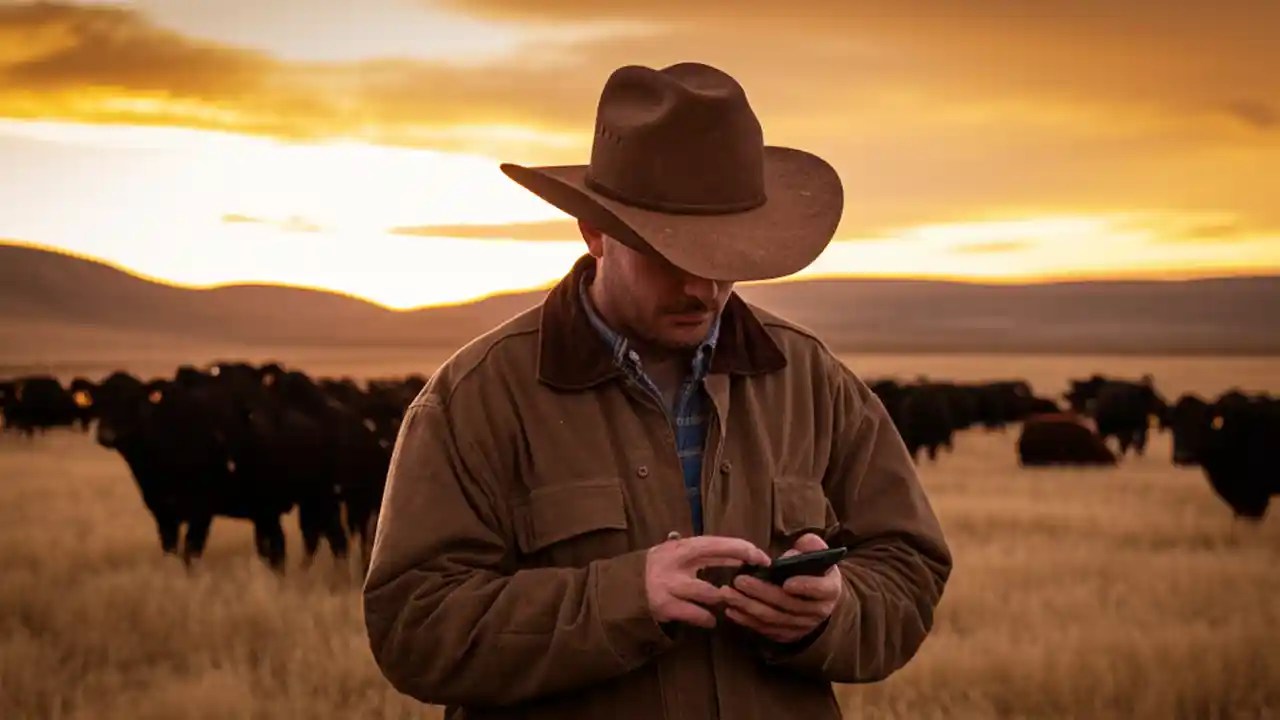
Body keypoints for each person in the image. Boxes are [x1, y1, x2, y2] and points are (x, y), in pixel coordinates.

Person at [363, 61, 952, 720]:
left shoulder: (812, 380)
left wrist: (833, 611)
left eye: (725, 256)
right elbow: (413, 629)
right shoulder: (476, 399)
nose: (701, 286)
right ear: (595, 233)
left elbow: (909, 567)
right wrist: (621, 599)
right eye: (671, 255)